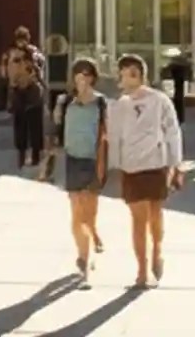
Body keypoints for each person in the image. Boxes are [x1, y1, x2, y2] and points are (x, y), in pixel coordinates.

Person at [107, 54, 184, 289]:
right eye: (124, 73)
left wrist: (176, 164)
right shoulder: (118, 105)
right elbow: (114, 136)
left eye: (133, 73)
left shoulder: (159, 100)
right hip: (131, 167)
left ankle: (157, 251)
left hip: (155, 165)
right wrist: (114, 166)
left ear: (143, 76)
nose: (128, 78)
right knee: (138, 219)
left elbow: (172, 131)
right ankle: (141, 271)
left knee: (155, 215)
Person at [56, 58, 108, 287]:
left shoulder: (101, 103)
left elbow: (108, 134)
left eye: (87, 75)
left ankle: (91, 242)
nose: (83, 79)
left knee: (89, 212)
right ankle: (83, 258)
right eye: (79, 75)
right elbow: (56, 130)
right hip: (72, 159)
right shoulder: (65, 100)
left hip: (93, 160)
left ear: (93, 78)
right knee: (77, 212)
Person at [6, 44, 46, 169]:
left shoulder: (34, 56)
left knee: (35, 127)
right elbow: (11, 76)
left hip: (32, 94)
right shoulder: (14, 58)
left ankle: (35, 156)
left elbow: (39, 74)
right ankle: (23, 156)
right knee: (21, 127)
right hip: (20, 94)